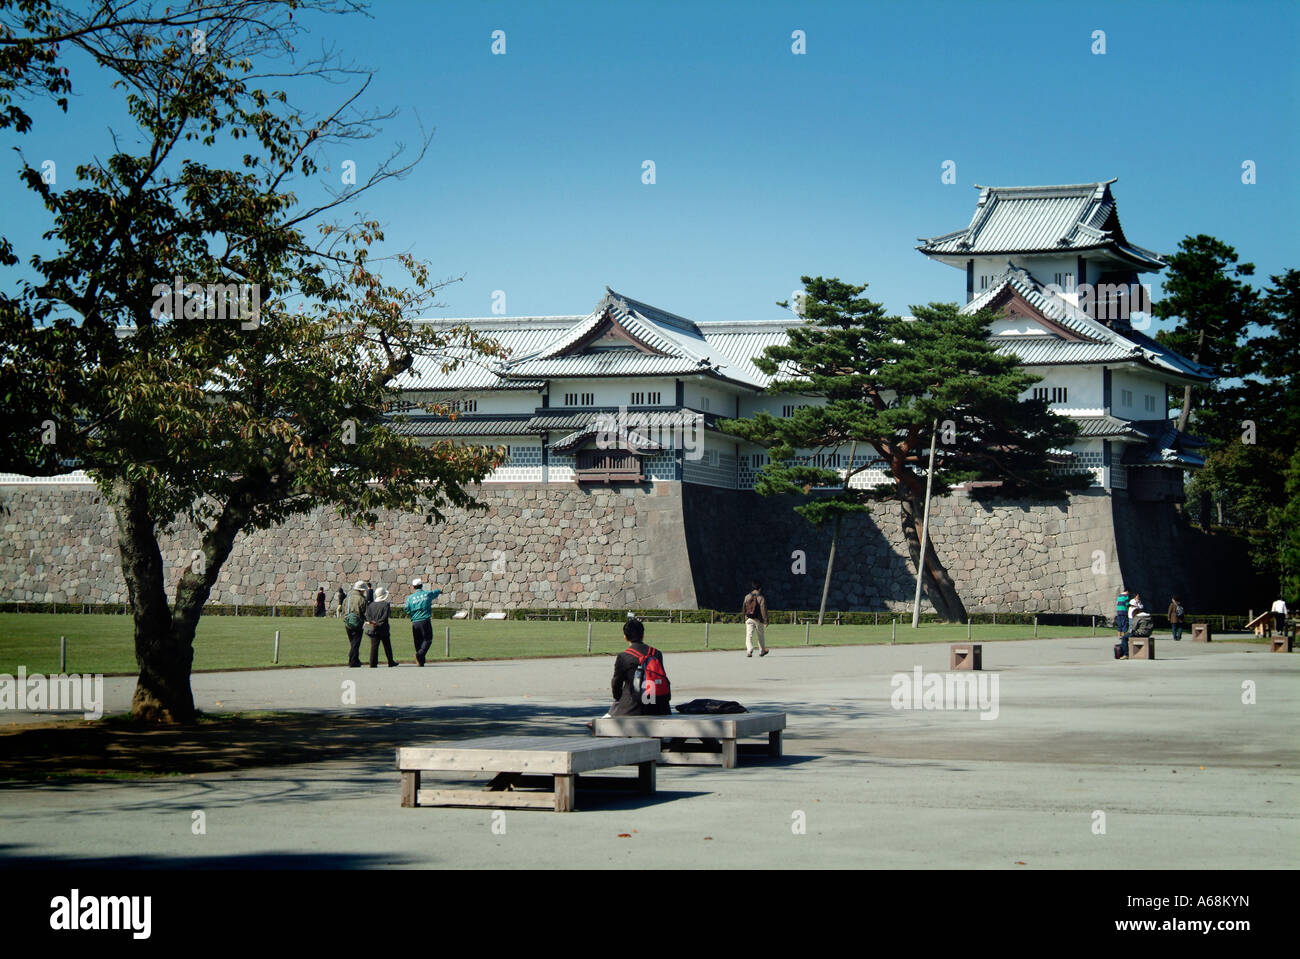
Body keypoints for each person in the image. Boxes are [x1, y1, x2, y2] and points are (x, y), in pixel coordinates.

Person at [609, 617, 671, 716]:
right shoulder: (656, 654)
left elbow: (616, 682)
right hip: (660, 707)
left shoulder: (624, 657)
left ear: (625, 637)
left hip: (633, 708)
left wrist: (618, 698)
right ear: (643, 635)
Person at [404, 577, 442, 666]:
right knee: (428, 639)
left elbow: (407, 609)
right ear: (421, 586)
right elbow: (435, 592)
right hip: (425, 620)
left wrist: (413, 613)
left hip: (415, 622)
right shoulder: (427, 594)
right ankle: (419, 655)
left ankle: (421, 661)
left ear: (413, 587)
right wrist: (440, 590)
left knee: (418, 641)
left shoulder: (410, 598)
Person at [365, 586, 399, 667]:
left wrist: (373, 623)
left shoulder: (371, 605)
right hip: (383, 628)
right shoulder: (385, 605)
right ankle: (390, 661)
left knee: (374, 646)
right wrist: (378, 623)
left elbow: (368, 616)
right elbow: (385, 616)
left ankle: (372, 663)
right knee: (387, 646)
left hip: (373, 628)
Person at [343, 580, 368, 668]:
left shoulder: (347, 598)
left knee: (353, 642)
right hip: (358, 623)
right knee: (355, 643)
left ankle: (356, 660)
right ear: (361, 590)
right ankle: (352, 661)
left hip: (348, 623)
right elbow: (365, 612)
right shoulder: (362, 599)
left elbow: (343, 610)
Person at [742, 580, 769, 657]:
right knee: (760, 635)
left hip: (749, 618)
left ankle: (749, 650)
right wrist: (766, 620)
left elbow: (743, 608)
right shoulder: (761, 597)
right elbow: (763, 610)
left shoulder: (747, 596)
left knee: (749, 635)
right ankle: (762, 651)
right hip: (758, 619)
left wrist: (745, 618)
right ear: (760, 588)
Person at [1114, 588, 1130, 659]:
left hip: (1118, 611)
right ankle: (1123, 636)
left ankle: (1118, 635)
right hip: (1124, 612)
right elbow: (1127, 605)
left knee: (1119, 624)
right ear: (1127, 591)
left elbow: (1117, 603)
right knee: (1124, 624)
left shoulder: (1119, 596)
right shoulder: (1126, 597)